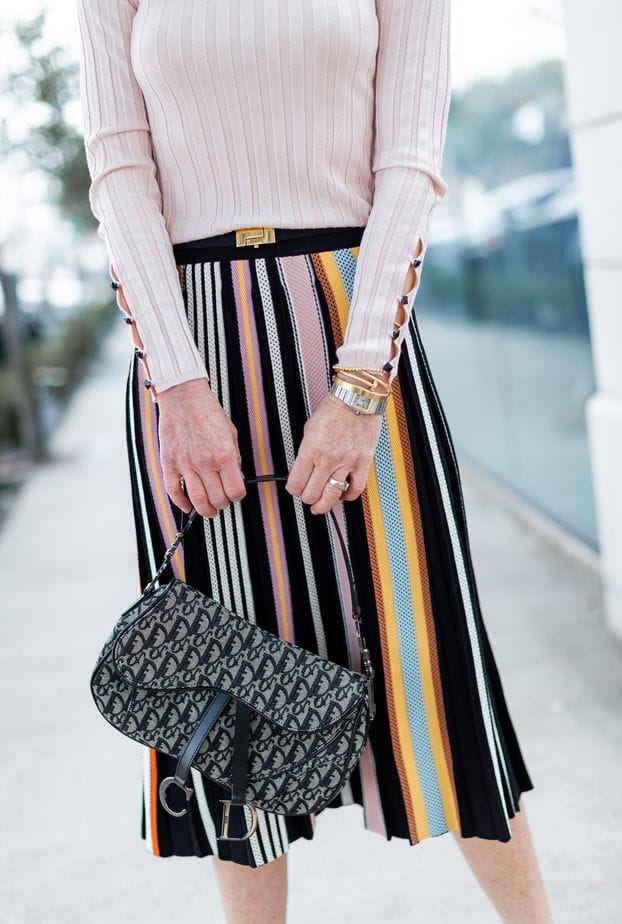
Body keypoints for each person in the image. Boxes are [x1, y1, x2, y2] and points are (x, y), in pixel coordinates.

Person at [76, 1, 553, 921]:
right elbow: (118, 168)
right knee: (219, 703)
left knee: (437, 684)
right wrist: (177, 382)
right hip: (192, 363)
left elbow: (409, 165)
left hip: (353, 333)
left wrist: (363, 382)